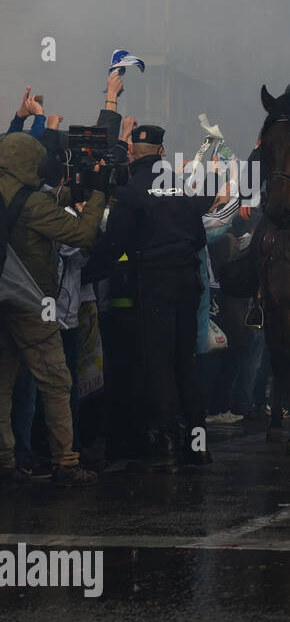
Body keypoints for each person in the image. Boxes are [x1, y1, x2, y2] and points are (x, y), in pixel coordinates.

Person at [114, 124, 229, 469]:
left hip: (153, 285)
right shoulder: (177, 189)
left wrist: (112, 265)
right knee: (185, 362)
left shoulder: (131, 192)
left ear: (133, 152)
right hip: (186, 284)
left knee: (158, 363)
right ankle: (197, 443)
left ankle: (166, 438)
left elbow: (117, 243)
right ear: (162, 152)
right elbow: (197, 238)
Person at [0, 132, 107, 485]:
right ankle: (65, 460)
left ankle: (5, 460)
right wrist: (98, 191)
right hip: (34, 305)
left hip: (4, 303)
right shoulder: (34, 205)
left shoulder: (7, 193)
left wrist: (72, 190)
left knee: (3, 387)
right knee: (57, 382)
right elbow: (83, 234)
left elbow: (46, 197)